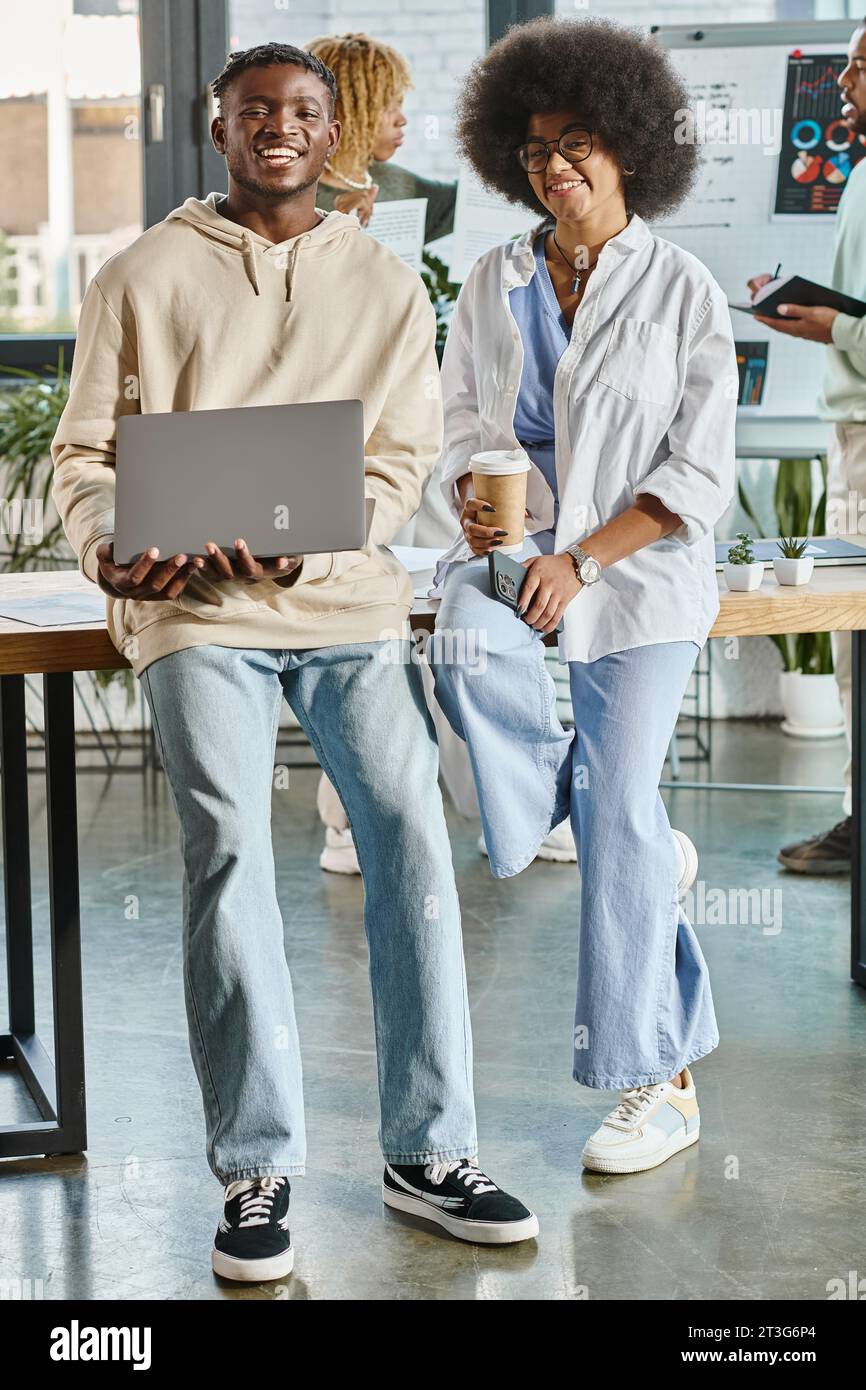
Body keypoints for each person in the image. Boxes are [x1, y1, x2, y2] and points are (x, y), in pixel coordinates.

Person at [50, 42, 537, 1281]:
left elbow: (397, 460)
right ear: (218, 132)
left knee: (411, 841)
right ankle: (254, 1165)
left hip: (345, 602)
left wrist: (325, 541)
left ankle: (428, 1151)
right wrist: (110, 545)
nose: (280, 127)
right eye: (255, 111)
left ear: (335, 136)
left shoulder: (381, 283)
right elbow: (85, 454)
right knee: (228, 847)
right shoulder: (140, 275)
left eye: (304, 113)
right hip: (193, 614)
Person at [426, 16, 737, 1175]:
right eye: (535, 146)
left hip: (634, 576)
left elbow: (694, 473)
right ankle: (603, 815)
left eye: (578, 143)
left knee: (620, 812)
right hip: (516, 557)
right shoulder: (493, 279)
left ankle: (656, 1080)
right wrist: (473, 494)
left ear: (630, 150)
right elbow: (461, 423)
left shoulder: (681, 289)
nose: (552, 165)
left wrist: (582, 558)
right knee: (461, 646)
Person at [749, 20, 866, 878]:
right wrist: (808, 314)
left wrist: (834, 326)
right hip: (851, 427)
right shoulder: (858, 178)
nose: (845, 83)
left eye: (860, 67)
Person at [305, 31, 456, 243]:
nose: (402, 119)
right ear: (349, 109)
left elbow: (472, 199)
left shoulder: (399, 182)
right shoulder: (297, 195)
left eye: (399, 104)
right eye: (386, 106)